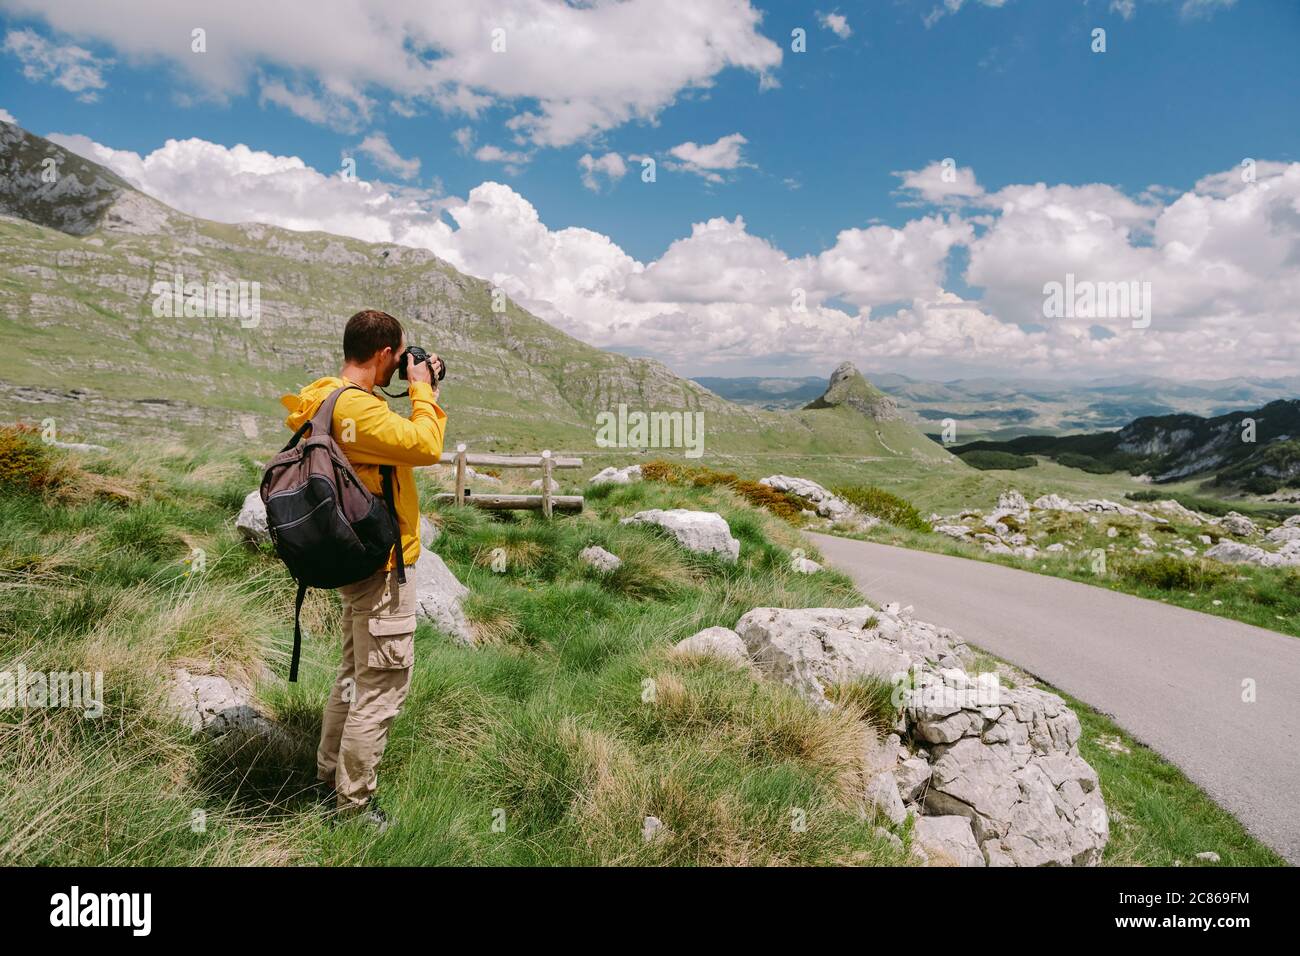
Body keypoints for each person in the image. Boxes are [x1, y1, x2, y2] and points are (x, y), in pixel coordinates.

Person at [279, 309, 446, 827]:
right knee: (380, 687)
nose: (402, 364)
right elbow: (426, 446)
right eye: (398, 356)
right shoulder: (360, 409)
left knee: (354, 676)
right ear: (382, 355)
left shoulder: (327, 396)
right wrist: (423, 390)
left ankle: (327, 778)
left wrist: (414, 385)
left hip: (354, 561)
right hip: (382, 567)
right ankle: (353, 807)